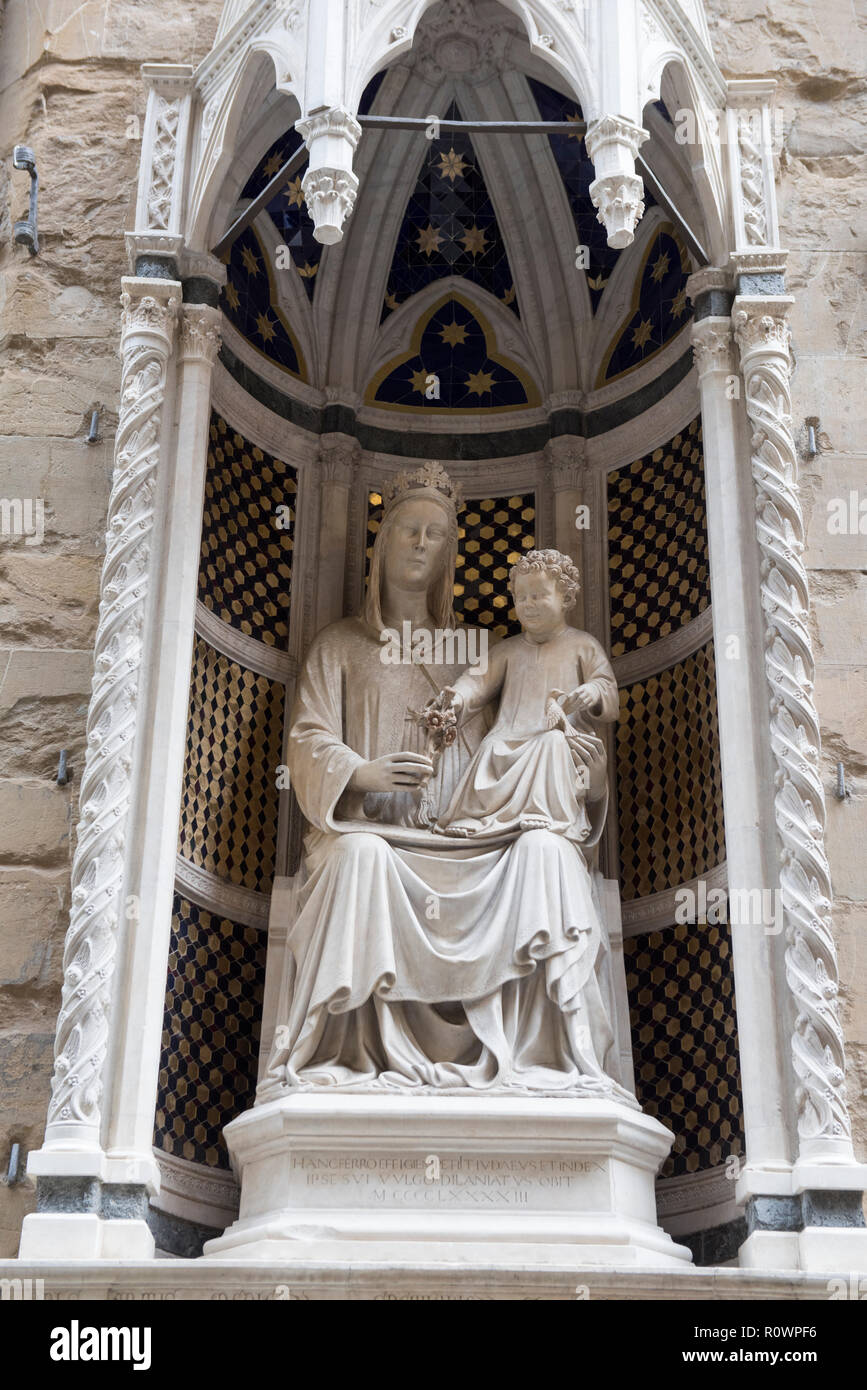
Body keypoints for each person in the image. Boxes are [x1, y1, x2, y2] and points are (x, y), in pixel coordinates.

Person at [263, 463, 633, 1101]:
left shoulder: (479, 651)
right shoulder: (340, 645)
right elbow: (306, 739)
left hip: (474, 834)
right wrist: (362, 772)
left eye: (435, 534)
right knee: (360, 856)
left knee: (546, 852)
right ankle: (344, 1063)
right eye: (408, 529)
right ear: (382, 545)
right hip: (377, 828)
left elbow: (524, 741)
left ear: (450, 554)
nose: (419, 544)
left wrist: (570, 762)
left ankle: (549, 1063)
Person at [434, 550, 617, 843]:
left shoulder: (583, 645)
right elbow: (476, 682)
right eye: (521, 598)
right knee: (491, 746)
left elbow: (607, 688)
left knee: (552, 743)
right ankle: (475, 817)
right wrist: (456, 700)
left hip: (561, 738)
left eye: (538, 596)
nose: (527, 605)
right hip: (510, 735)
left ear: (566, 599)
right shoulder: (506, 650)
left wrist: (593, 692)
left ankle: (542, 809)